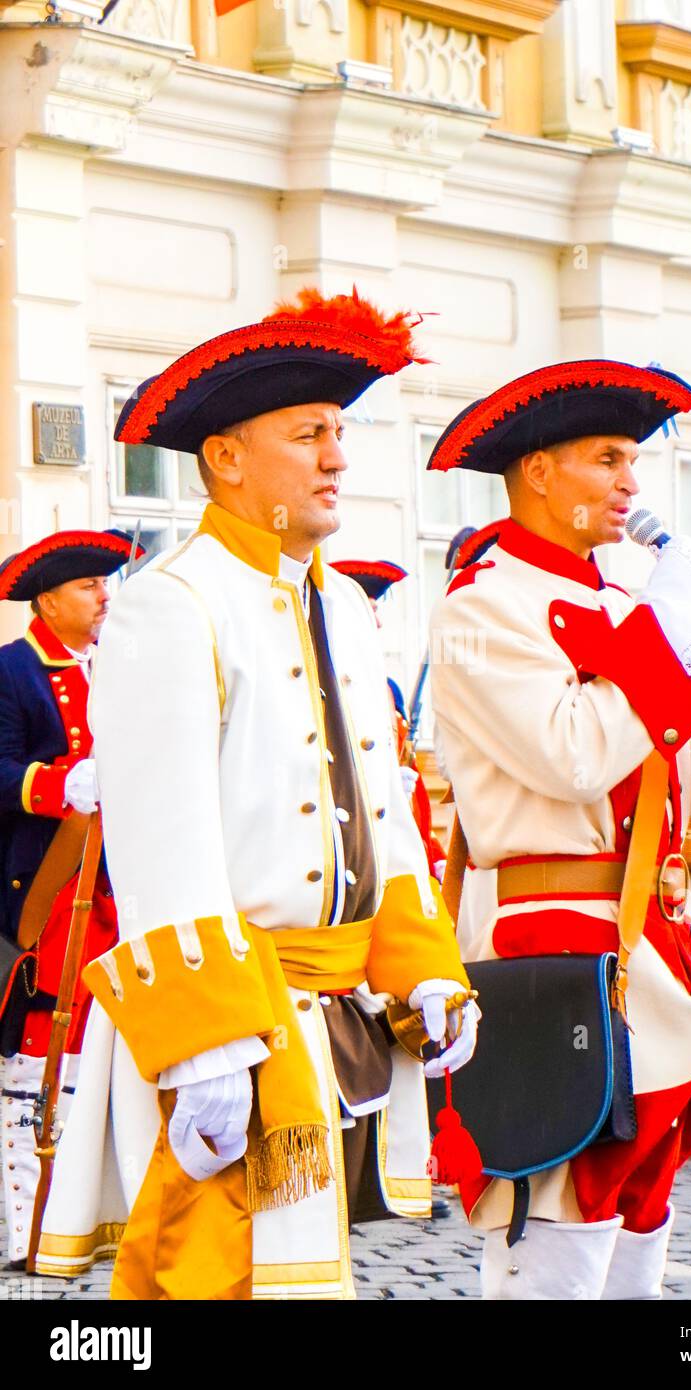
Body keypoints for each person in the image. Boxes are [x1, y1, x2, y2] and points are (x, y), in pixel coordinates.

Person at [35, 288, 479, 1301]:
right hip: (227, 1016)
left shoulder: (341, 606)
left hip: (331, 1010)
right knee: (212, 1277)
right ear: (227, 457)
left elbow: (388, 813)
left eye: (340, 433)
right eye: (308, 433)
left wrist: (424, 969)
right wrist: (205, 1047)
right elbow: (165, 840)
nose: (336, 458)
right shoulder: (169, 603)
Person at [427, 359, 691, 1300]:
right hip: (549, 941)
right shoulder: (483, 605)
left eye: (632, 461)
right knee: (555, 1217)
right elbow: (572, 757)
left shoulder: (621, 608)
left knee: (638, 1221)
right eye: (608, 459)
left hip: (649, 949)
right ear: (538, 472)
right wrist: (668, 643)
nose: (631, 483)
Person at [0, 531, 135, 1266]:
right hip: (45, 897)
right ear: (49, 600)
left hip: (115, 893)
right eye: (89, 586)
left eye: (105, 584)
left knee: (106, 1055)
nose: (104, 596)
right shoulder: (12, 671)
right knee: (36, 1061)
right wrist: (56, 786)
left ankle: (94, 1210)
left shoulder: (112, 671)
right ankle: (29, 1222)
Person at [331, 558, 447, 881]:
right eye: (369, 609)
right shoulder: (327, 682)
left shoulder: (386, 687)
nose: (378, 623)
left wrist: (429, 852)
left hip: (400, 839)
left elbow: (413, 784)